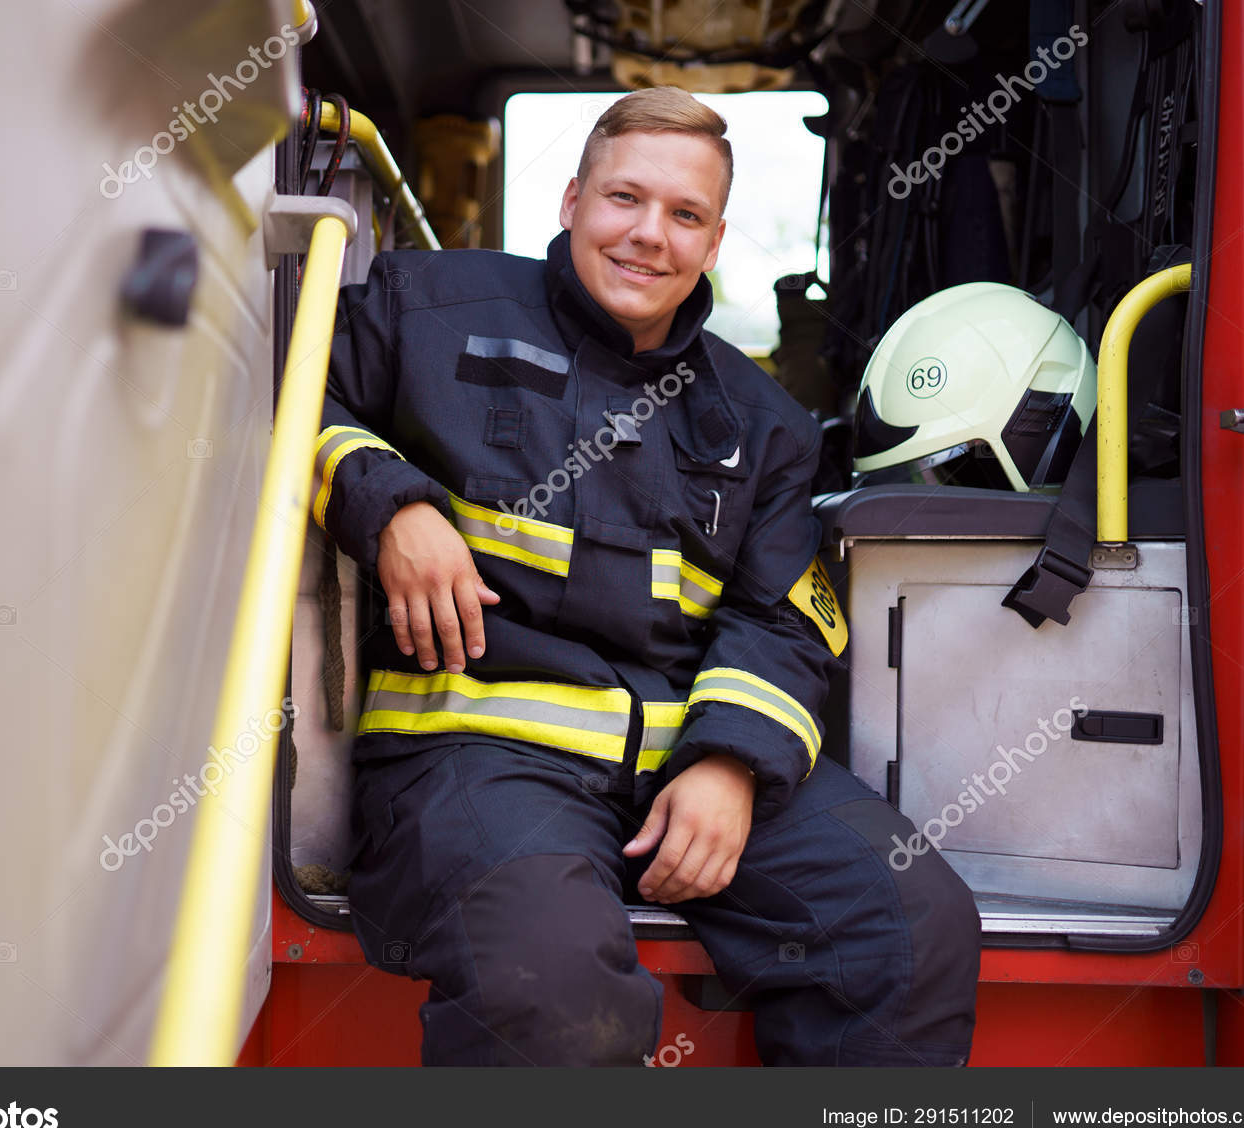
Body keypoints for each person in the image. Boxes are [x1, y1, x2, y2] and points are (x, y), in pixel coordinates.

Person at [310, 87, 980, 1066]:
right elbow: (274, 402)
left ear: (713, 245)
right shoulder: (426, 307)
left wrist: (730, 763)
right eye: (625, 199)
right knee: (554, 983)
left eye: (685, 216)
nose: (648, 236)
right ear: (572, 198)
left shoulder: (766, 423)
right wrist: (390, 503)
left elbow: (785, 619)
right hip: (474, 751)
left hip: (684, 765)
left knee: (909, 918)